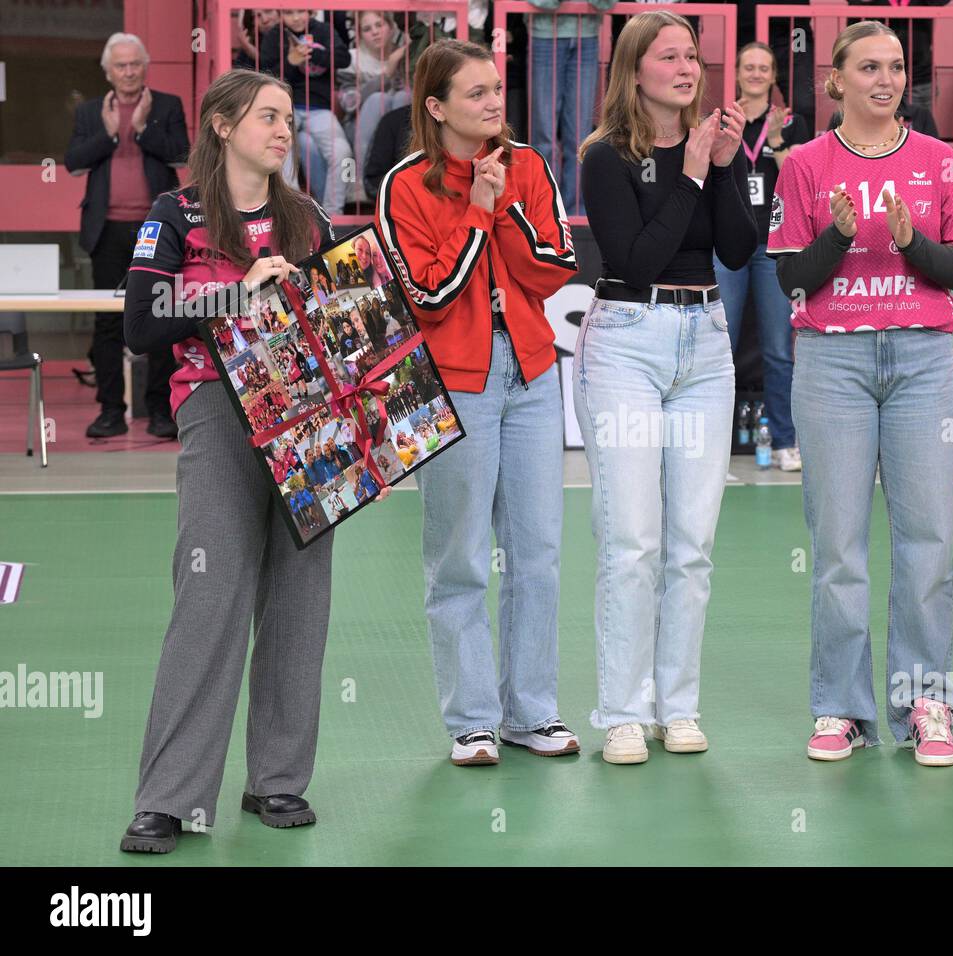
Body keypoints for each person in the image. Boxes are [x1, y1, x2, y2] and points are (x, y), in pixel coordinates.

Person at [117, 69, 363, 855]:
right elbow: (141, 320)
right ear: (222, 125)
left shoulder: (309, 217)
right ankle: (168, 799)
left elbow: (348, 330)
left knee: (300, 600)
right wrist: (236, 298)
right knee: (209, 593)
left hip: (307, 418)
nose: (284, 128)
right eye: (267, 115)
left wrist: (370, 443)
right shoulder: (176, 212)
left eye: (290, 116)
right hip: (218, 411)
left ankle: (278, 781)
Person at [767, 20, 953, 767]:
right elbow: (790, 278)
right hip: (833, 363)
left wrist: (910, 243)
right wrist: (836, 237)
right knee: (839, 546)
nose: (886, 80)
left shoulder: (940, 161)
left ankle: (926, 703)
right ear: (837, 79)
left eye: (895, 67)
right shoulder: (804, 164)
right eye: (869, 67)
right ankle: (841, 708)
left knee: (929, 539)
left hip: (923, 360)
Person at [376, 38, 581, 766]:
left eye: (497, 88)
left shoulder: (529, 165)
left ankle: (532, 712)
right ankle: (472, 721)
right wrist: (477, 209)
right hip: (452, 380)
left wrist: (502, 209)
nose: (495, 102)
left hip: (531, 374)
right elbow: (427, 294)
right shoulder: (404, 184)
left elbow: (553, 268)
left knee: (538, 554)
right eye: (476, 93)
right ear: (435, 107)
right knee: (458, 558)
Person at [576, 10, 757, 765]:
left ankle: (677, 706)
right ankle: (623, 710)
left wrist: (728, 166)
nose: (687, 69)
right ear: (635, 70)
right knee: (633, 540)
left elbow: (740, 249)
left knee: (692, 544)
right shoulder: (603, 157)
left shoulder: (710, 148)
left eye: (693, 56)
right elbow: (633, 260)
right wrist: (688, 173)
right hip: (627, 343)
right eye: (670, 57)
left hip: (705, 348)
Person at [66, 32, 189, 440]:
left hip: (158, 230)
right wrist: (109, 134)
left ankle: (159, 409)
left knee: (159, 317)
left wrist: (140, 129)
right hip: (107, 230)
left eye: (135, 63)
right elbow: (72, 163)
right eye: (121, 65)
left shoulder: (166, 106)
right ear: (108, 71)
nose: (129, 71)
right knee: (106, 323)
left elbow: (182, 155)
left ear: (145, 67)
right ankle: (110, 411)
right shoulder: (89, 112)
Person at [714, 42, 810, 472]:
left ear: (773, 77)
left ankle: (786, 441)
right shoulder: (722, 121)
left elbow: (802, 183)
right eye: (748, 67)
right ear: (736, 73)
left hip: (774, 248)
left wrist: (775, 142)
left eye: (763, 68)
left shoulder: (792, 123)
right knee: (721, 347)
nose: (755, 73)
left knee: (777, 350)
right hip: (730, 245)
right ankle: (713, 444)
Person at [525, 0, 620, 216]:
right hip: (544, 33)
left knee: (579, 133)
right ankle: (544, 207)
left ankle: (574, 211)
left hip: (586, 34)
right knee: (543, 132)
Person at [261, 9, 353, 214]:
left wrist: (314, 53)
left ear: (310, 10)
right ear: (280, 13)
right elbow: (264, 78)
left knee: (342, 151)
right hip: (285, 108)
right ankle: (291, 211)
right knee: (282, 151)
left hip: (319, 108)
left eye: (301, 11)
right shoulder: (274, 36)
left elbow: (344, 58)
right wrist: (291, 62)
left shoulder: (323, 30)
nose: (295, 17)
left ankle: (333, 213)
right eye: (289, 12)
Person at [336, 10, 413, 196]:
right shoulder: (351, 59)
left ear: (391, 26)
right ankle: (364, 183)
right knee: (378, 99)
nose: (375, 32)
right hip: (359, 127)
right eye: (367, 29)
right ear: (360, 34)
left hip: (396, 129)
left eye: (380, 25)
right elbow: (349, 103)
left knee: (402, 98)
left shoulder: (406, 55)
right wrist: (386, 73)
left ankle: (405, 178)